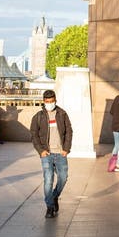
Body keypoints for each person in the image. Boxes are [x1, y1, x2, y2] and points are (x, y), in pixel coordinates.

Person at [30, 89, 73, 218]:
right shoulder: (38, 117)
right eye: (47, 101)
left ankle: (54, 197)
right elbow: (34, 134)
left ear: (55, 100)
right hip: (46, 154)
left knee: (63, 178)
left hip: (60, 153)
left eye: (52, 101)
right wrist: (41, 150)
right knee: (48, 180)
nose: (50, 103)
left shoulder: (62, 114)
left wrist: (66, 148)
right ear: (44, 101)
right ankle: (49, 207)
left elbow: (69, 132)